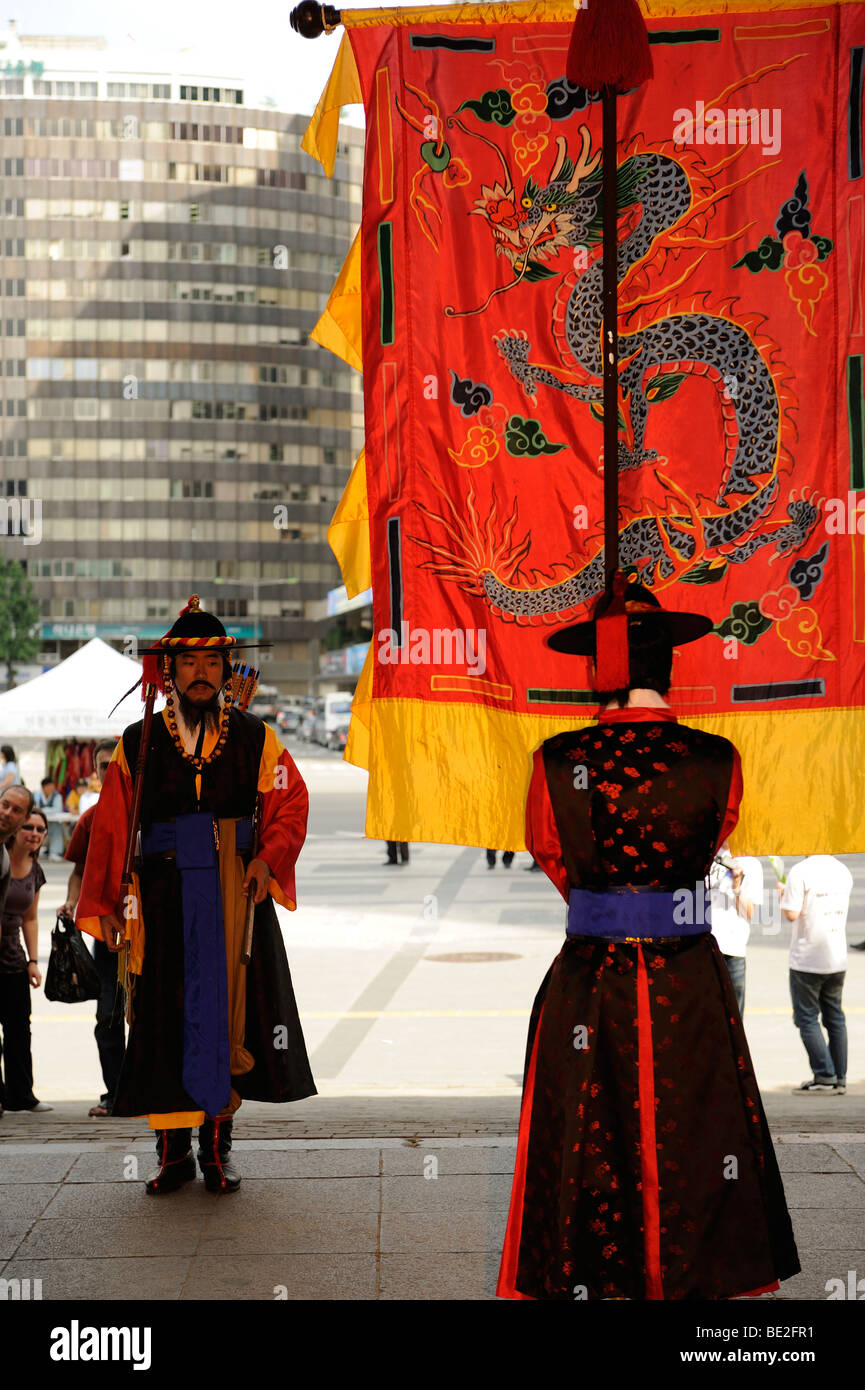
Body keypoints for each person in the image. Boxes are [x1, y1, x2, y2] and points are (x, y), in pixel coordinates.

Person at [497, 574, 799, 1300]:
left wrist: (609, 908)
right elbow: (712, 839)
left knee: (586, 1134)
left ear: (599, 666)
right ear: (667, 661)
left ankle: (589, 1277)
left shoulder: (558, 759)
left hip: (590, 978)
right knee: (698, 1128)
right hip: (689, 976)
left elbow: (553, 855)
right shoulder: (716, 759)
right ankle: (700, 1280)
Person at [75, 596, 315, 1193]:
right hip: (159, 898)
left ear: (228, 668)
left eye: (213, 661)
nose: (202, 672)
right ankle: (171, 1154)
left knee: (230, 1016)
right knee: (160, 1016)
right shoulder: (138, 742)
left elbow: (290, 802)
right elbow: (110, 827)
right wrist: (107, 904)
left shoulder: (258, 738)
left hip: (234, 893)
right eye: (189, 662)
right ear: (170, 671)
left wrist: (267, 857)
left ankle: (216, 1149)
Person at [63, 741, 125, 1117]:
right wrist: (72, 901)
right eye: (103, 766)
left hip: (153, 932)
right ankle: (116, 1094)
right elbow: (77, 871)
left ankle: (152, 1092)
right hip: (108, 936)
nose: (109, 771)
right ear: (96, 772)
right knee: (109, 1017)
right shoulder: (92, 818)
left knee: (154, 1017)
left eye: (115, 765)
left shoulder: (151, 813)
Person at [781, 855, 853, 1096]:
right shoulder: (843, 869)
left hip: (808, 959)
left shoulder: (800, 871)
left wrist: (783, 895)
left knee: (806, 1018)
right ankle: (839, 1077)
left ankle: (824, 1075)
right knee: (835, 1018)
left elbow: (791, 913)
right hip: (836, 957)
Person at [0, 802, 51, 1115]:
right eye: (28, 827)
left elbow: (30, 918)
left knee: (19, 1028)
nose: (34, 834)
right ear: (14, 831)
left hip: (13, 956)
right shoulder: (0, 857)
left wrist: (33, 960)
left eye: (40, 830)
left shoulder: (36, 870)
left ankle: (22, 1096)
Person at [708, 841, 762, 1016]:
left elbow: (748, 913)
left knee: (734, 1014)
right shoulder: (705, 857)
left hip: (733, 947)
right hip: (705, 945)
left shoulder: (751, 864)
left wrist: (737, 886)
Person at [34, 777, 64, 859]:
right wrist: (47, 810)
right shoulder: (37, 795)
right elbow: (35, 808)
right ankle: (37, 850)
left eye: (52, 787)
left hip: (53, 821)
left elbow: (58, 809)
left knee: (56, 828)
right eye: (49, 787)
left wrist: (43, 810)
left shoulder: (57, 796)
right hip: (40, 820)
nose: (51, 789)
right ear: (43, 788)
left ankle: (54, 852)